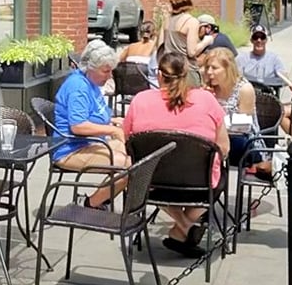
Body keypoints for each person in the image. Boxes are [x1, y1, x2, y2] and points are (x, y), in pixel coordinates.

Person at [123, 50, 230, 257]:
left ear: (159, 75)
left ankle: (182, 228)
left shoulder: (140, 101)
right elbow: (224, 148)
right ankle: (185, 227)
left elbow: (129, 142)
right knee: (220, 173)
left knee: (142, 168)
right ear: (187, 74)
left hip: (152, 183)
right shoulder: (206, 99)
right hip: (200, 185)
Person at [52, 38, 128, 208]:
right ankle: (89, 203)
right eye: (106, 71)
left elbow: (94, 114)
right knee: (126, 165)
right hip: (70, 149)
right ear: (90, 68)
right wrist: (112, 130)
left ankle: (103, 200)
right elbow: (78, 126)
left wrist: (114, 120)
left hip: (90, 143)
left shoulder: (91, 82)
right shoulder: (78, 87)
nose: (109, 77)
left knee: (137, 157)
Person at [202, 47, 269, 173]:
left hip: (244, 143)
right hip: (217, 138)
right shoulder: (208, 89)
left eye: (214, 68)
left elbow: (242, 127)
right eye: (207, 68)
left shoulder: (244, 89)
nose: (209, 72)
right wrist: (205, 98)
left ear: (228, 69)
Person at [159, 0, 204, 85]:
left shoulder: (166, 20)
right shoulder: (191, 21)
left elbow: (160, 46)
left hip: (169, 70)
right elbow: (192, 52)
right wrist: (206, 42)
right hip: (187, 71)